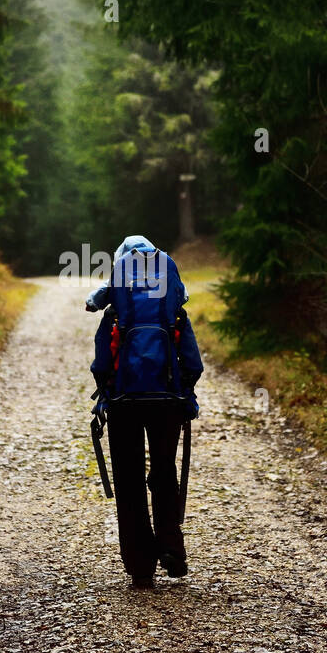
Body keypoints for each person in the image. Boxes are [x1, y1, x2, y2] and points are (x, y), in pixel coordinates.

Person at [89, 235, 203, 589]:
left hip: (124, 402)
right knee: (164, 471)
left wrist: (105, 391)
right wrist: (185, 393)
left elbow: (101, 362)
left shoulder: (116, 314)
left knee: (129, 479)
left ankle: (140, 566)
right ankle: (171, 548)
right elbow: (193, 363)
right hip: (167, 401)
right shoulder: (174, 314)